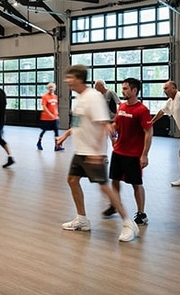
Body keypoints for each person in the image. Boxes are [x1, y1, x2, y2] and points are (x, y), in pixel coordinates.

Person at [55, 65, 139, 243]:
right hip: (81, 150)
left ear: (78, 78)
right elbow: (79, 123)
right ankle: (82, 219)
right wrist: (66, 135)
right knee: (72, 180)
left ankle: (128, 223)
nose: (66, 81)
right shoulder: (80, 98)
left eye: (69, 77)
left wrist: (97, 152)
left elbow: (104, 125)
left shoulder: (93, 97)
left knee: (104, 187)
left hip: (92, 151)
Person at [103, 78, 153, 226]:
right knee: (115, 180)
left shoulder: (142, 110)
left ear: (134, 90)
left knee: (136, 184)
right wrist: (112, 128)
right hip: (118, 151)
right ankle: (115, 205)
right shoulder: (123, 107)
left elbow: (148, 133)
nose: (123, 91)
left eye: (125, 89)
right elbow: (117, 124)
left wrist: (144, 155)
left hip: (133, 154)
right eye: (123, 88)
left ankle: (141, 214)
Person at [37, 82, 63, 151]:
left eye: (52, 87)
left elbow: (55, 107)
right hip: (46, 118)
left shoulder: (55, 97)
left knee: (56, 131)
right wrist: (49, 114)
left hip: (54, 118)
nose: (51, 88)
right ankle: (39, 142)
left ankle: (57, 146)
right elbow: (44, 106)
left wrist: (56, 114)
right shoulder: (45, 96)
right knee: (44, 131)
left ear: (54, 88)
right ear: (48, 88)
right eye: (50, 87)